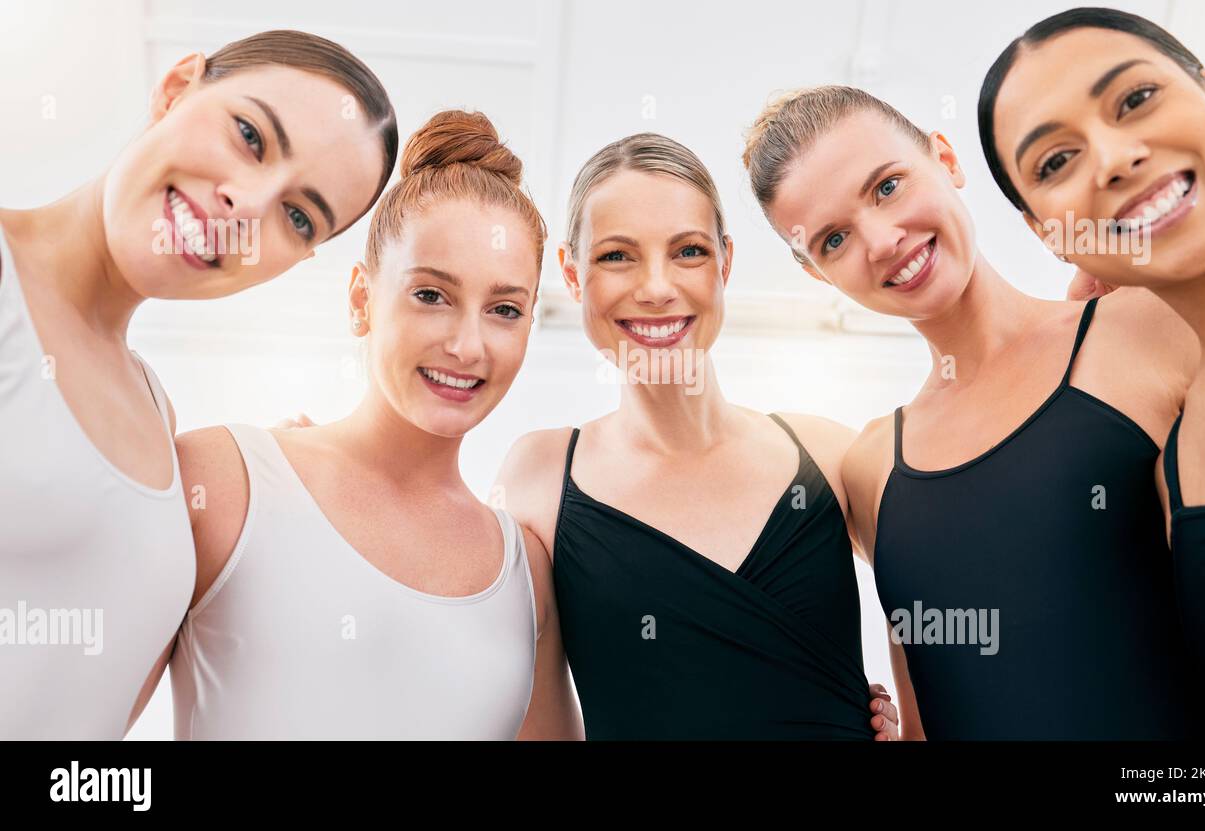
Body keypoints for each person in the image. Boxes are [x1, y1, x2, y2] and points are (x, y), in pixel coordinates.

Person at [744, 84, 1205, 739]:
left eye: (887, 187)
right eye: (833, 239)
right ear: (817, 273)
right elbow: (926, 720)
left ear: (946, 159)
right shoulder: (873, 466)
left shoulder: (1143, 325)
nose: (882, 240)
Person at [0, 29, 397, 740]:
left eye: (299, 215)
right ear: (178, 86)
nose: (246, 206)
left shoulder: (158, 415)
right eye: (250, 135)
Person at [169, 110, 582, 739]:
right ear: (362, 299)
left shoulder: (525, 575)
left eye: (504, 309)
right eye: (431, 295)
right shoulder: (223, 479)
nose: (468, 346)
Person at [494, 133, 898, 740]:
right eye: (616, 256)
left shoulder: (829, 455)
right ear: (572, 275)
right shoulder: (540, 476)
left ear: (725, 263)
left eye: (687, 251)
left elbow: (973, 581)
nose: (656, 288)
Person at [978, 6, 1205, 738]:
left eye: (1134, 100)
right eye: (1055, 163)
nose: (1115, 158)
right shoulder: (1173, 463)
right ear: (1048, 232)